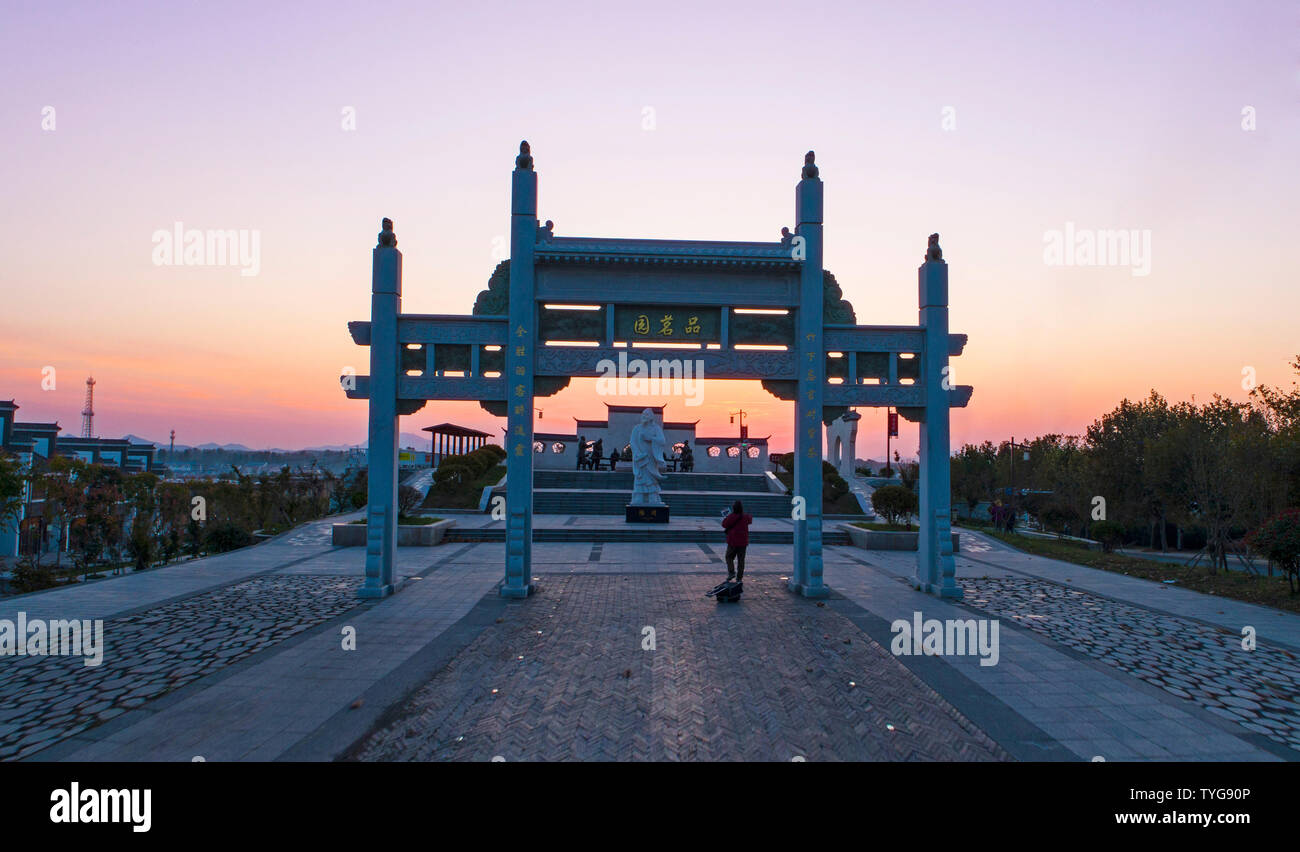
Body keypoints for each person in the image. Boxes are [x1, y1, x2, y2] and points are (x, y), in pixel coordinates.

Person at [721, 499, 753, 582]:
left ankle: (731, 572)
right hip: (743, 542)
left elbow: (724, 525)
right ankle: (739, 578)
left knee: (729, 557)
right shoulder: (745, 517)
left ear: (733, 508)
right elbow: (750, 519)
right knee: (741, 560)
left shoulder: (731, 516)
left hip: (733, 542)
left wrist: (726, 517)